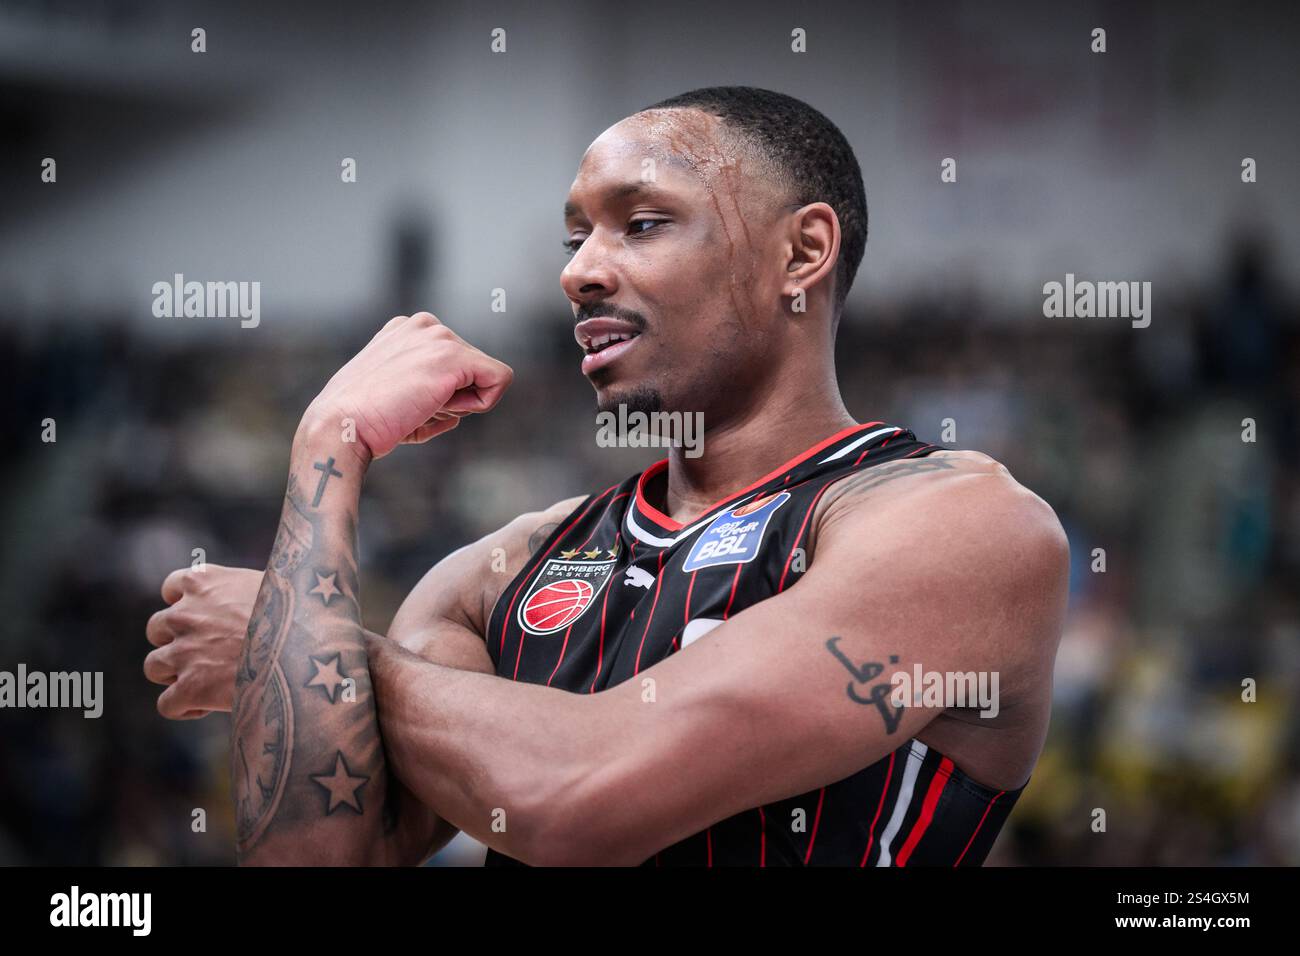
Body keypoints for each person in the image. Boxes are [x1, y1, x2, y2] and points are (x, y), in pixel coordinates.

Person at [143, 87, 1069, 866]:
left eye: (644, 223)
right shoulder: (505, 568)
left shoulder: (966, 527)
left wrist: (309, 645)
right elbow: (318, 859)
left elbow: (578, 794)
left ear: (803, 253)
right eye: (574, 238)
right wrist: (330, 444)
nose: (580, 272)